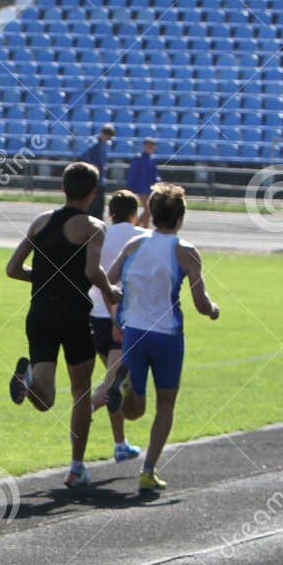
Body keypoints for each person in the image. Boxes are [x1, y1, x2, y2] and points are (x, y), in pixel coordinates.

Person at [5, 161, 119, 488]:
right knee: (81, 391)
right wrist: (111, 291)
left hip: (39, 312)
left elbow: (13, 268)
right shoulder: (93, 226)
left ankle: (27, 381)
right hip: (72, 314)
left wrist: (41, 279)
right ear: (93, 193)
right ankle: (76, 467)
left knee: (45, 399)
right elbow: (91, 272)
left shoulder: (41, 222)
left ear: (63, 188)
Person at [107, 183, 220, 492]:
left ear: (152, 215)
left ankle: (128, 386)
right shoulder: (185, 251)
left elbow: (110, 280)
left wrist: (118, 298)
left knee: (133, 412)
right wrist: (213, 310)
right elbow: (200, 302)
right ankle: (147, 470)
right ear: (181, 218)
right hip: (167, 335)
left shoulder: (134, 244)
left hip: (133, 330)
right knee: (166, 404)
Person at [87, 189, 146, 464]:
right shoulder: (139, 238)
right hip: (123, 315)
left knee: (116, 384)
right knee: (113, 384)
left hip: (94, 314)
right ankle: (83, 411)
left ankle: (120, 443)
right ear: (135, 213)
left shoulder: (100, 233)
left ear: (110, 212)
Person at [77, 123, 116, 220]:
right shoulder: (94, 143)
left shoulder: (103, 144)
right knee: (92, 208)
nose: (108, 138)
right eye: (108, 135)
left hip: (100, 181)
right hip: (94, 181)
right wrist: (92, 167)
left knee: (99, 208)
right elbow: (83, 157)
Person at [126, 137, 160, 227]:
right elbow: (133, 173)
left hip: (150, 188)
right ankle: (135, 226)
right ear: (144, 146)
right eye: (148, 145)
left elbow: (154, 174)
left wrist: (158, 182)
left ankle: (145, 227)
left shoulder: (152, 159)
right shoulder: (138, 158)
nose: (150, 147)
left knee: (149, 210)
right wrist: (130, 186)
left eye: (152, 145)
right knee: (148, 209)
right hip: (140, 187)